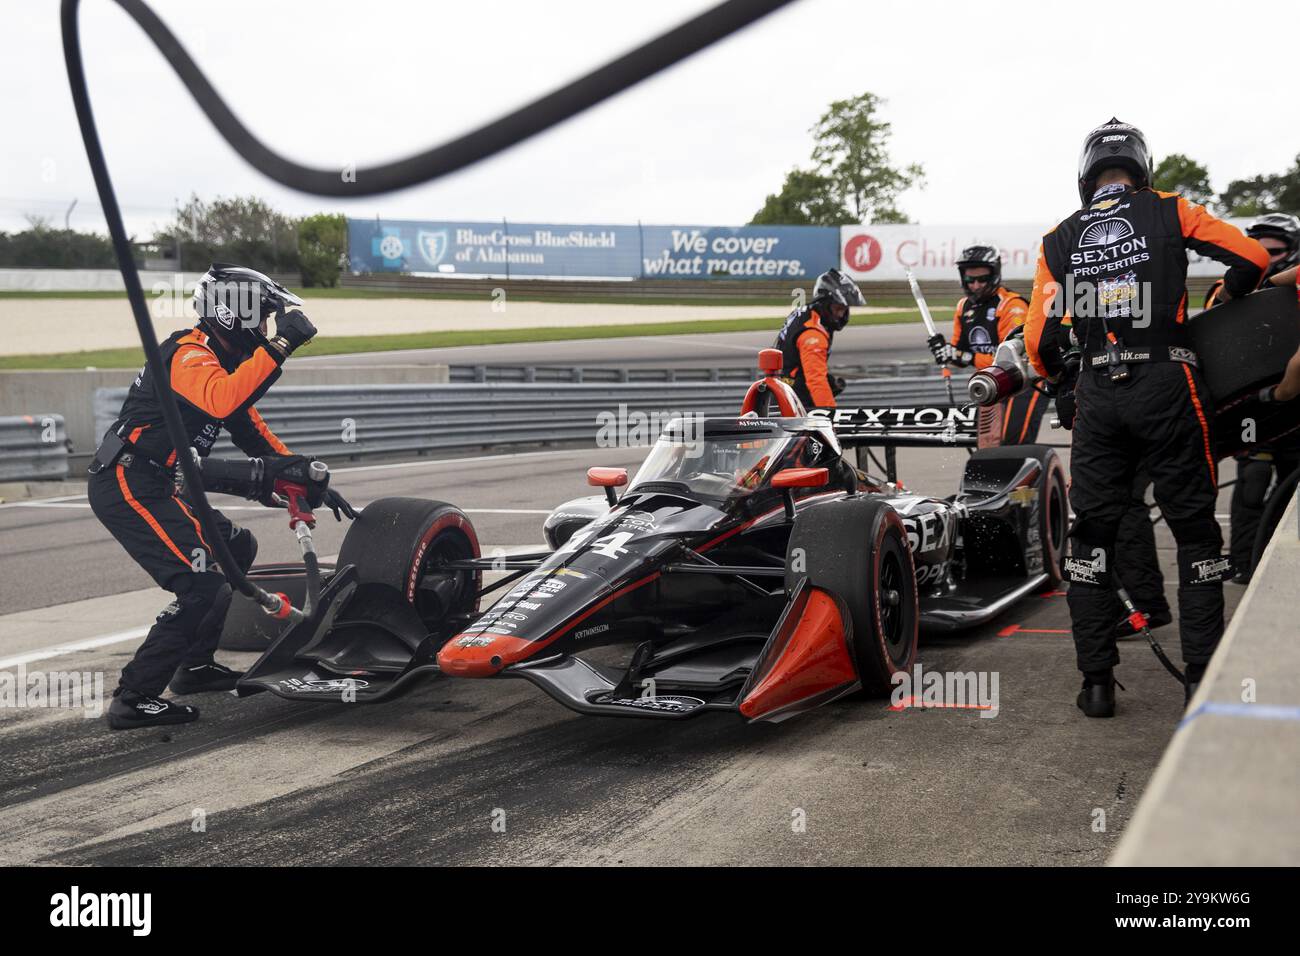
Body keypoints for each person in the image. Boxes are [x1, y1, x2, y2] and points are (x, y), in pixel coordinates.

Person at [1023, 118, 1269, 718]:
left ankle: (1098, 686)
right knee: (1194, 532)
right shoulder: (1169, 209)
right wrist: (1234, 294)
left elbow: (1039, 342)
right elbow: (1254, 256)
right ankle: (1199, 681)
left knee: (1093, 536)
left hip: (1100, 391)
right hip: (1168, 379)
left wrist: (1066, 378)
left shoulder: (1059, 238)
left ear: (1086, 175)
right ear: (1140, 166)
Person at [88, 263, 350, 730]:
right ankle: (135, 696)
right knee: (201, 581)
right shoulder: (189, 354)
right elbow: (222, 400)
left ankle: (194, 666)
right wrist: (280, 346)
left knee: (237, 548)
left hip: (159, 483)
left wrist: (308, 482)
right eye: (265, 318)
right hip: (127, 480)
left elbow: (254, 433)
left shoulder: (222, 364)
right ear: (235, 314)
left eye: (273, 321)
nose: (268, 327)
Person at [1202, 215, 1300, 580]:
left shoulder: (1296, 283)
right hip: (1253, 408)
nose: (1266, 257)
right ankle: (1245, 562)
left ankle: (1287, 564)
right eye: (1258, 249)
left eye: (1274, 250)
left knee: (1293, 490)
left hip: (1295, 407)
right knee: (1253, 481)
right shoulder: (1225, 286)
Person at [926, 245, 1046, 444]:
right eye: (969, 279)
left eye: (981, 279)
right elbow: (960, 355)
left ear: (994, 275)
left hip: (1025, 383)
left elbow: (1011, 361)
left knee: (1012, 443)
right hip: (993, 383)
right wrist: (945, 351)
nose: (975, 285)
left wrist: (965, 357)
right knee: (989, 443)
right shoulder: (963, 307)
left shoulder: (1011, 306)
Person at [775, 268, 865, 409]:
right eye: (837, 309)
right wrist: (830, 414)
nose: (841, 315)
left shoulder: (805, 313)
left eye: (844, 309)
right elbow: (816, 380)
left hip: (782, 389)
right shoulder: (813, 335)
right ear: (825, 304)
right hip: (795, 400)